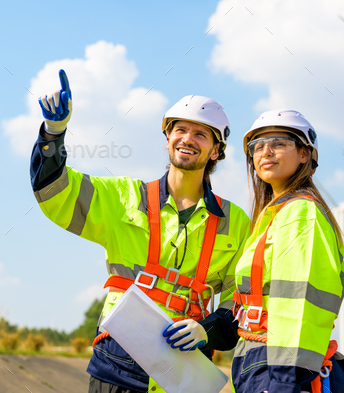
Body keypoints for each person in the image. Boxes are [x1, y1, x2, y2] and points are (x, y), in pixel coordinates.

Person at [30, 69, 250, 393]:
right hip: (117, 366)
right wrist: (53, 133)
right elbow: (55, 192)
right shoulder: (123, 197)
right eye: (180, 130)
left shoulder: (237, 222)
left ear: (216, 150)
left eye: (201, 134)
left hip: (185, 372)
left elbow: (242, 301)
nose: (187, 139)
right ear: (167, 138)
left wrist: (208, 330)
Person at [230, 109, 344, 393]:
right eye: (257, 147)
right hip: (257, 359)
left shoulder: (301, 213)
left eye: (278, 143)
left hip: (278, 366)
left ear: (304, 154)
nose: (266, 152)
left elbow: (300, 305)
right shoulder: (275, 214)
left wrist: (284, 381)